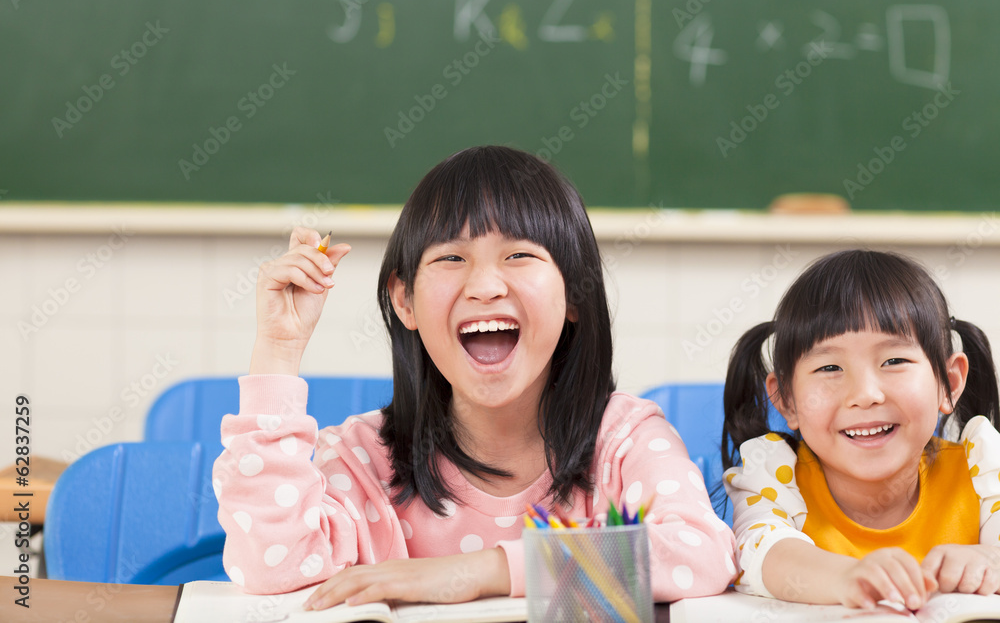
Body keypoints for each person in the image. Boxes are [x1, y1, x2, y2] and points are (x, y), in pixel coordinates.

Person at [213, 145, 736, 610]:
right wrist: (279, 350)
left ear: (574, 294)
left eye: (520, 255)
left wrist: (483, 571)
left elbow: (704, 554)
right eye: (451, 257)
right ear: (405, 300)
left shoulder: (622, 440)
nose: (485, 284)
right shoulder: (364, 458)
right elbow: (271, 567)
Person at [721, 249, 1000, 610]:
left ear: (947, 383)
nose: (865, 395)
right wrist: (848, 578)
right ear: (787, 399)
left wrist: (990, 561)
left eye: (894, 360)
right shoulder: (776, 473)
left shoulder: (981, 466)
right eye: (829, 368)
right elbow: (759, 553)